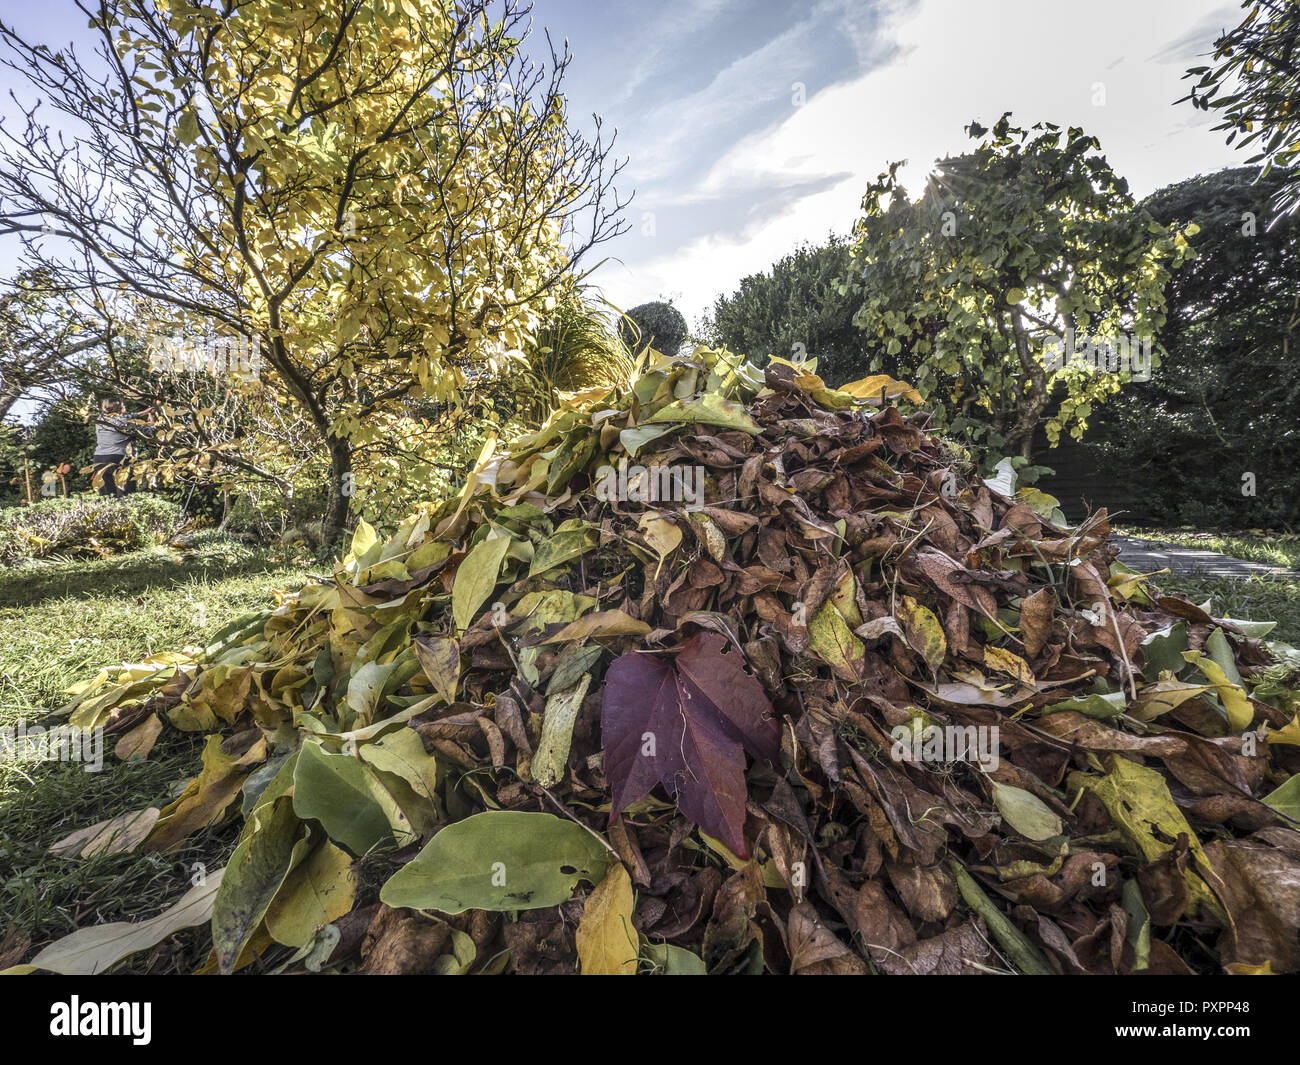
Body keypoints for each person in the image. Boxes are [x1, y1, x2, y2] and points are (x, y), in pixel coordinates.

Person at [92, 398, 153, 497]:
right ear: (120, 408)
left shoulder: (100, 420)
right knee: (125, 494)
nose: (125, 407)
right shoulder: (126, 423)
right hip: (120, 458)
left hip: (100, 459)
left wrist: (144, 413)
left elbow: (122, 418)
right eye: (123, 405)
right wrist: (151, 423)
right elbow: (148, 433)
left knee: (107, 496)